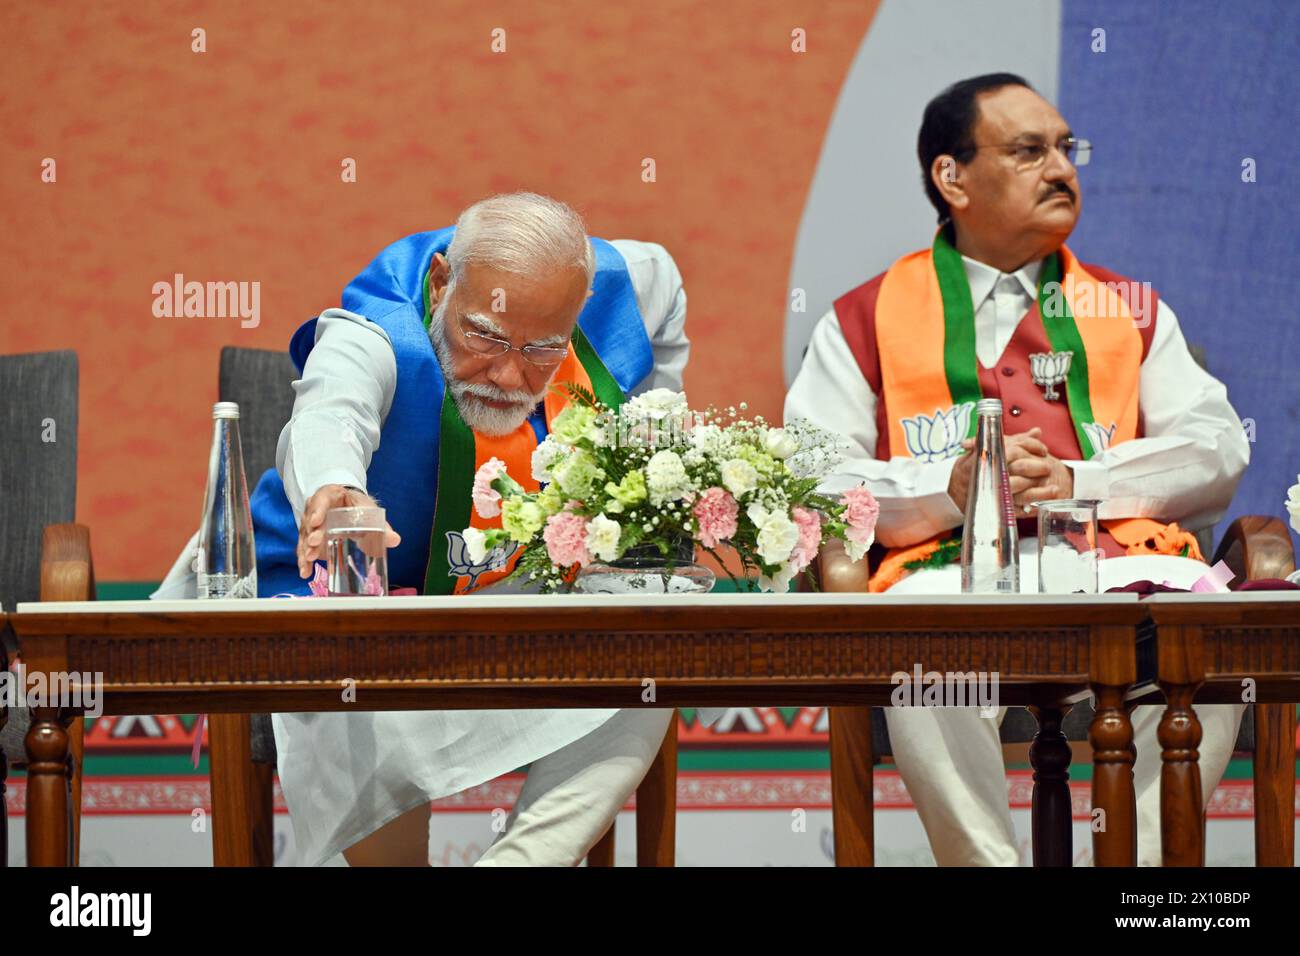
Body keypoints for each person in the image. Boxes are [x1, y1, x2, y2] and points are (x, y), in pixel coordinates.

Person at [785, 74, 1249, 865]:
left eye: (1066, 149)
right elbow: (813, 479)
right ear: (951, 177)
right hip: (948, 573)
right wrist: (946, 493)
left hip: (1113, 565)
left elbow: (1218, 446)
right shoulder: (862, 317)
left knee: (1206, 639)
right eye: (1029, 151)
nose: (1062, 169)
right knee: (920, 649)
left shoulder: (1130, 308)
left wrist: (1082, 481)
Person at [158, 192, 694, 865]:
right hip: (363, 596)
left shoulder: (629, 281)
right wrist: (336, 488)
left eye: (542, 349)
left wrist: (645, 431)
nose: (507, 375)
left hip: (510, 589)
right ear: (442, 282)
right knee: (354, 664)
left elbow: (665, 306)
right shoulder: (378, 327)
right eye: (485, 337)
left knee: (656, 633)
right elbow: (331, 410)